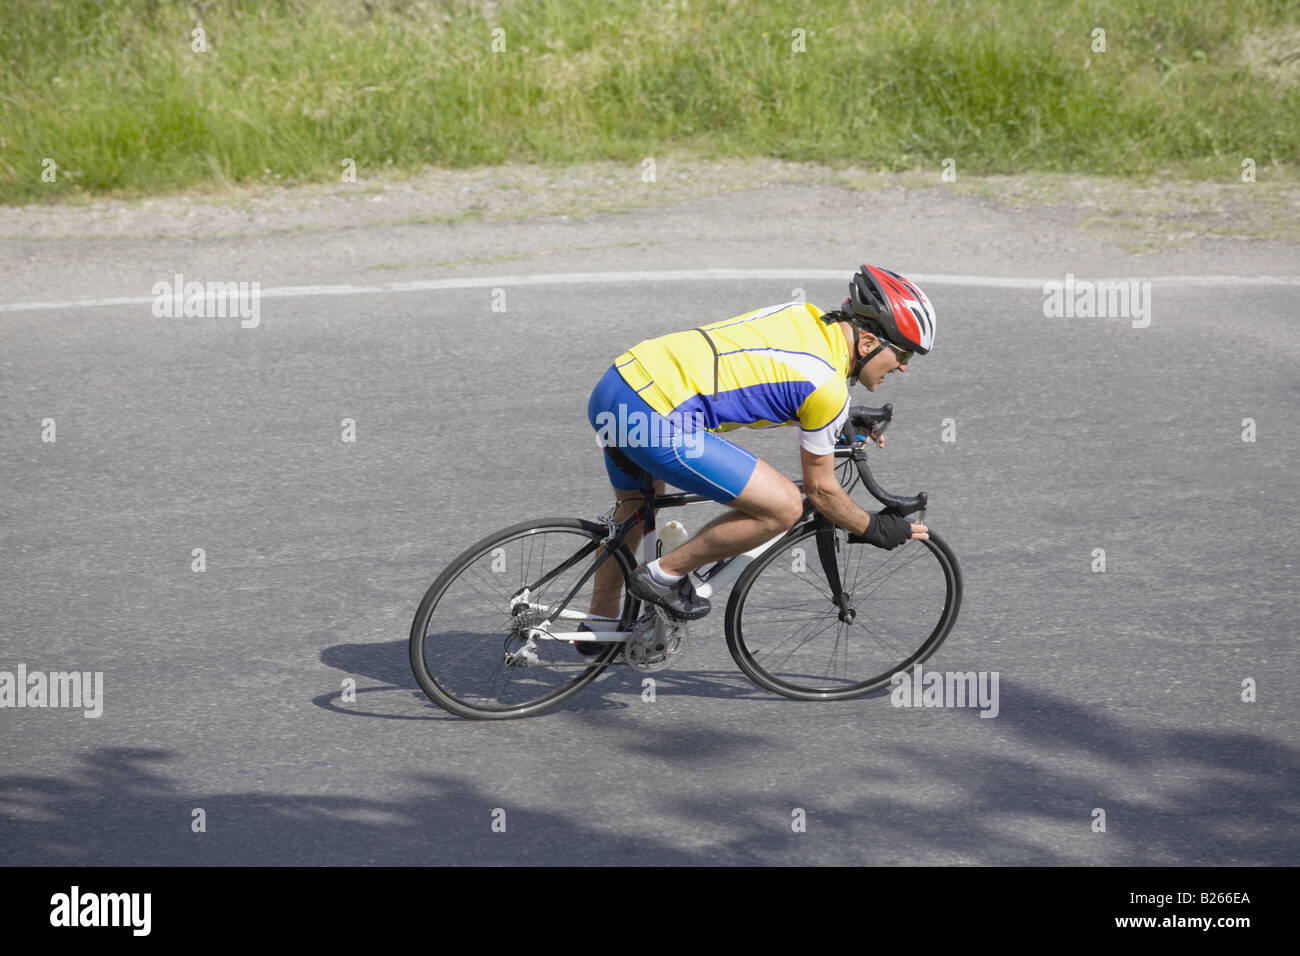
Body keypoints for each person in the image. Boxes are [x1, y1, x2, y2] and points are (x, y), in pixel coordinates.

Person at [580, 264, 936, 645]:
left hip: (619, 383)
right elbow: (822, 491)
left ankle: (598, 624)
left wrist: (839, 419)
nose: (903, 367)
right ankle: (663, 575)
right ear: (867, 344)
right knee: (784, 506)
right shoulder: (827, 388)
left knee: (636, 508)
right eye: (903, 354)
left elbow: (761, 372)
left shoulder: (806, 315)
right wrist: (871, 527)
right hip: (655, 414)